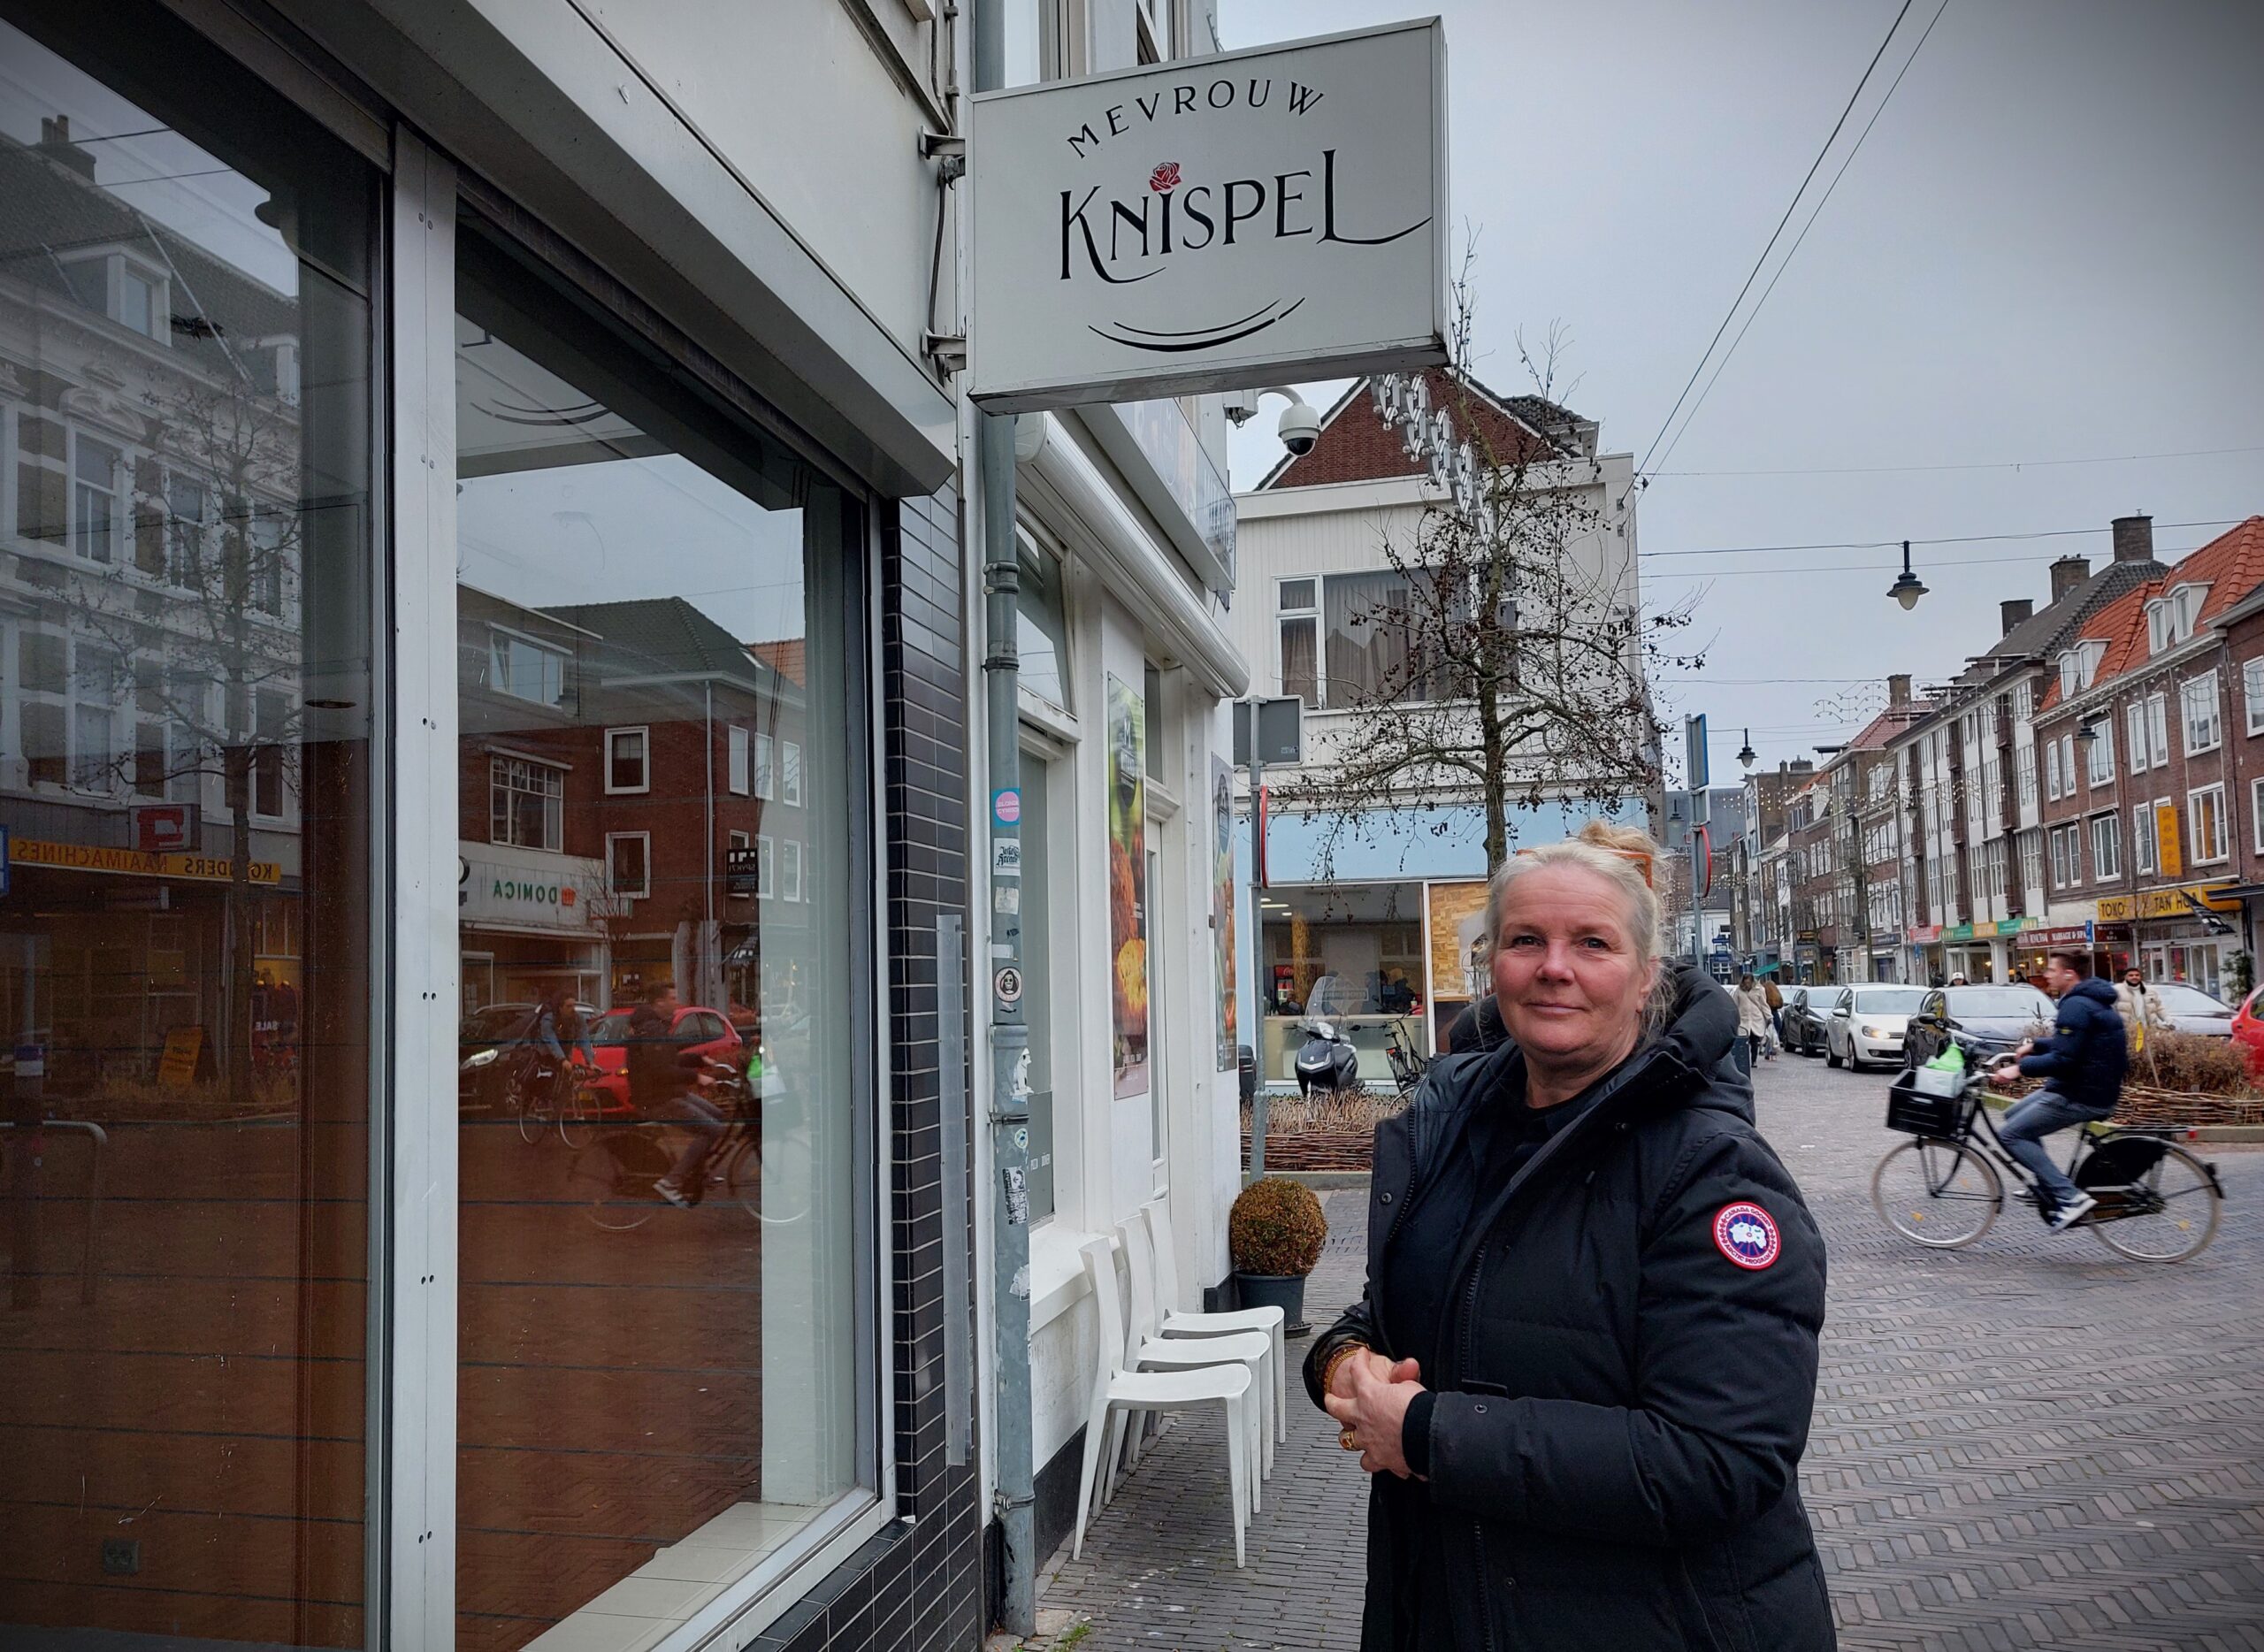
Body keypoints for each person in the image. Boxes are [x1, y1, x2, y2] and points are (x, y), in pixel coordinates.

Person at [1310, 821, 1832, 1649]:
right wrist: (1342, 1363)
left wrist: (1423, 1432)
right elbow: (1396, 1311)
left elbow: (1718, 1461)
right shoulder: (1452, 1131)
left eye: (1593, 943)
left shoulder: (1714, 1173)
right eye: (1526, 940)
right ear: (1493, 967)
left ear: (1644, 976)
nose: (1555, 968)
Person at [1989, 948, 2128, 1231]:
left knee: (2011, 1135)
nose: (2046, 975)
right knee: (2015, 1116)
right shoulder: (2090, 1001)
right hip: (2087, 1086)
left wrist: (2019, 1070)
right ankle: (2047, 1183)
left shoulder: (2075, 1005)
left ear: (2069, 974)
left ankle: (2069, 1197)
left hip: (2081, 1094)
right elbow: (2077, 1043)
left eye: (2051, 970)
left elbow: (2065, 1060)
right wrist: (2036, 1046)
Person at [624, 981, 720, 1208]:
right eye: (673, 998)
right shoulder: (650, 1029)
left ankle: (697, 1172)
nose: (677, 1003)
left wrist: (699, 1060)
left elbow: (668, 1058)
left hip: (668, 1093)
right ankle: (670, 1183)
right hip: (657, 1099)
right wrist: (696, 1077)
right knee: (712, 1129)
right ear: (660, 1002)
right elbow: (660, 1071)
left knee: (718, 1115)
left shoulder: (656, 1025)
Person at [2113, 966, 2170, 1053]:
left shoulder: (2150, 991)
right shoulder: (2117, 990)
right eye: (2131, 975)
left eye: (2137, 975)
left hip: (2149, 1030)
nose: (2134, 977)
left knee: (2149, 1054)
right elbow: (2111, 1009)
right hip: (2129, 1031)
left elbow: (2159, 1007)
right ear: (2125, 977)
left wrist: (2167, 1019)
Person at [1735, 973, 1773, 1067]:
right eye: (1745, 982)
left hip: (1756, 1019)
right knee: (1743, 1042)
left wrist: (1769, 1017)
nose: (1747, 985)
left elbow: (1764, 1005)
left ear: (1752, 982)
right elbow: (1734, 1005)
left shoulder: (1759, 990)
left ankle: (1754, 1061)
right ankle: (1743, 1060)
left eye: (1749, 982)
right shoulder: (1738, 991)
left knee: (1754, 1041)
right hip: (1743, 1020)